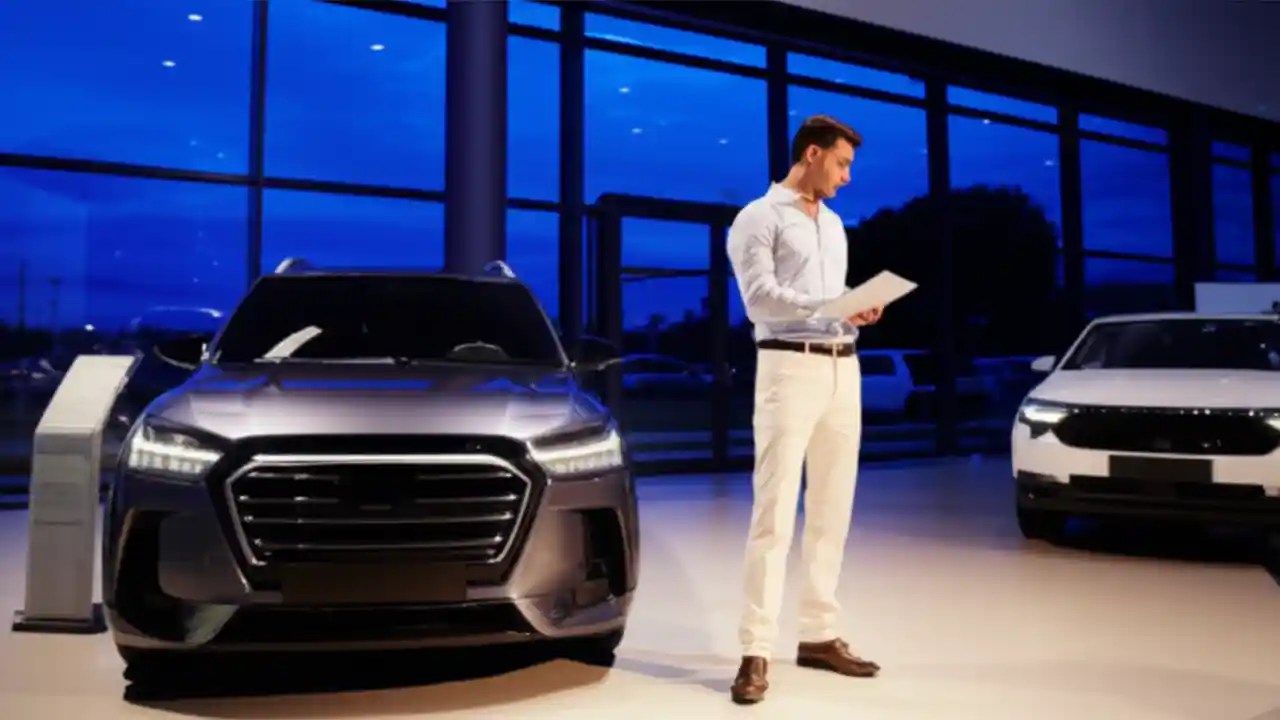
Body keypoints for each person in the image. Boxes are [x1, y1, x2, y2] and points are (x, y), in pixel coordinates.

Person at [725, 114, 883, 705]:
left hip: (845, 369)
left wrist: (857, 310)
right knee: (773, 515)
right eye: (841, 164)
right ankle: (755, 650)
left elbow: (827, 305)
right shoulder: (756, 218)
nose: (846, 177)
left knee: (832, 511)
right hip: (787, 369)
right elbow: (760, 300)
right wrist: (835, 305)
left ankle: (818, 635)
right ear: (811, 154)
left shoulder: (837, 226)